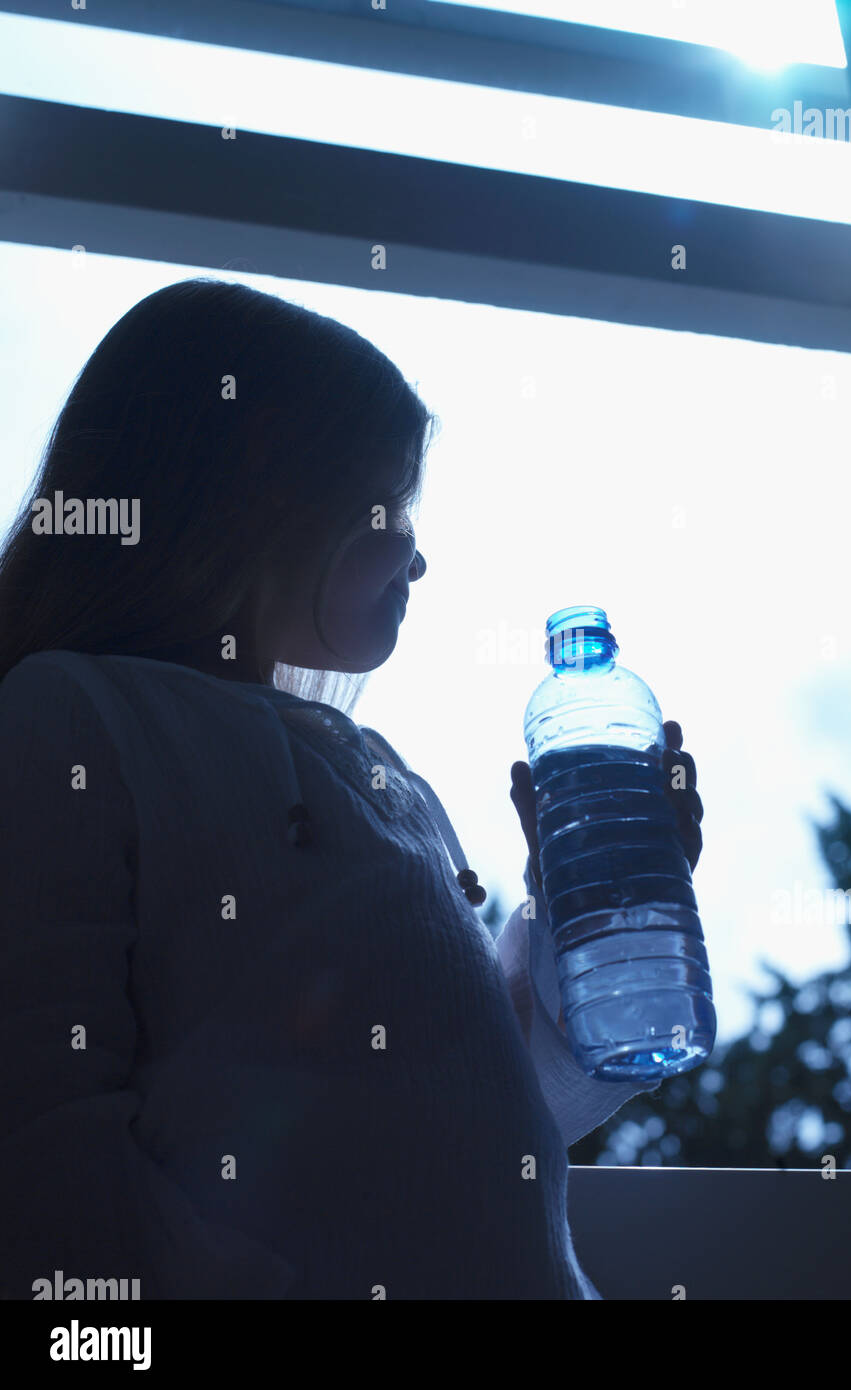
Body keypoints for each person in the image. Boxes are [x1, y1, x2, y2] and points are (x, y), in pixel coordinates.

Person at [0, 278, 703, 1299]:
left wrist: (589, 909)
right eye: (390, 506)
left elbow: (501, 1108)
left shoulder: (389, 781)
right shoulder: (74, 716)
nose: (418, 554)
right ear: (255, 491)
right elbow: (38, 1134)